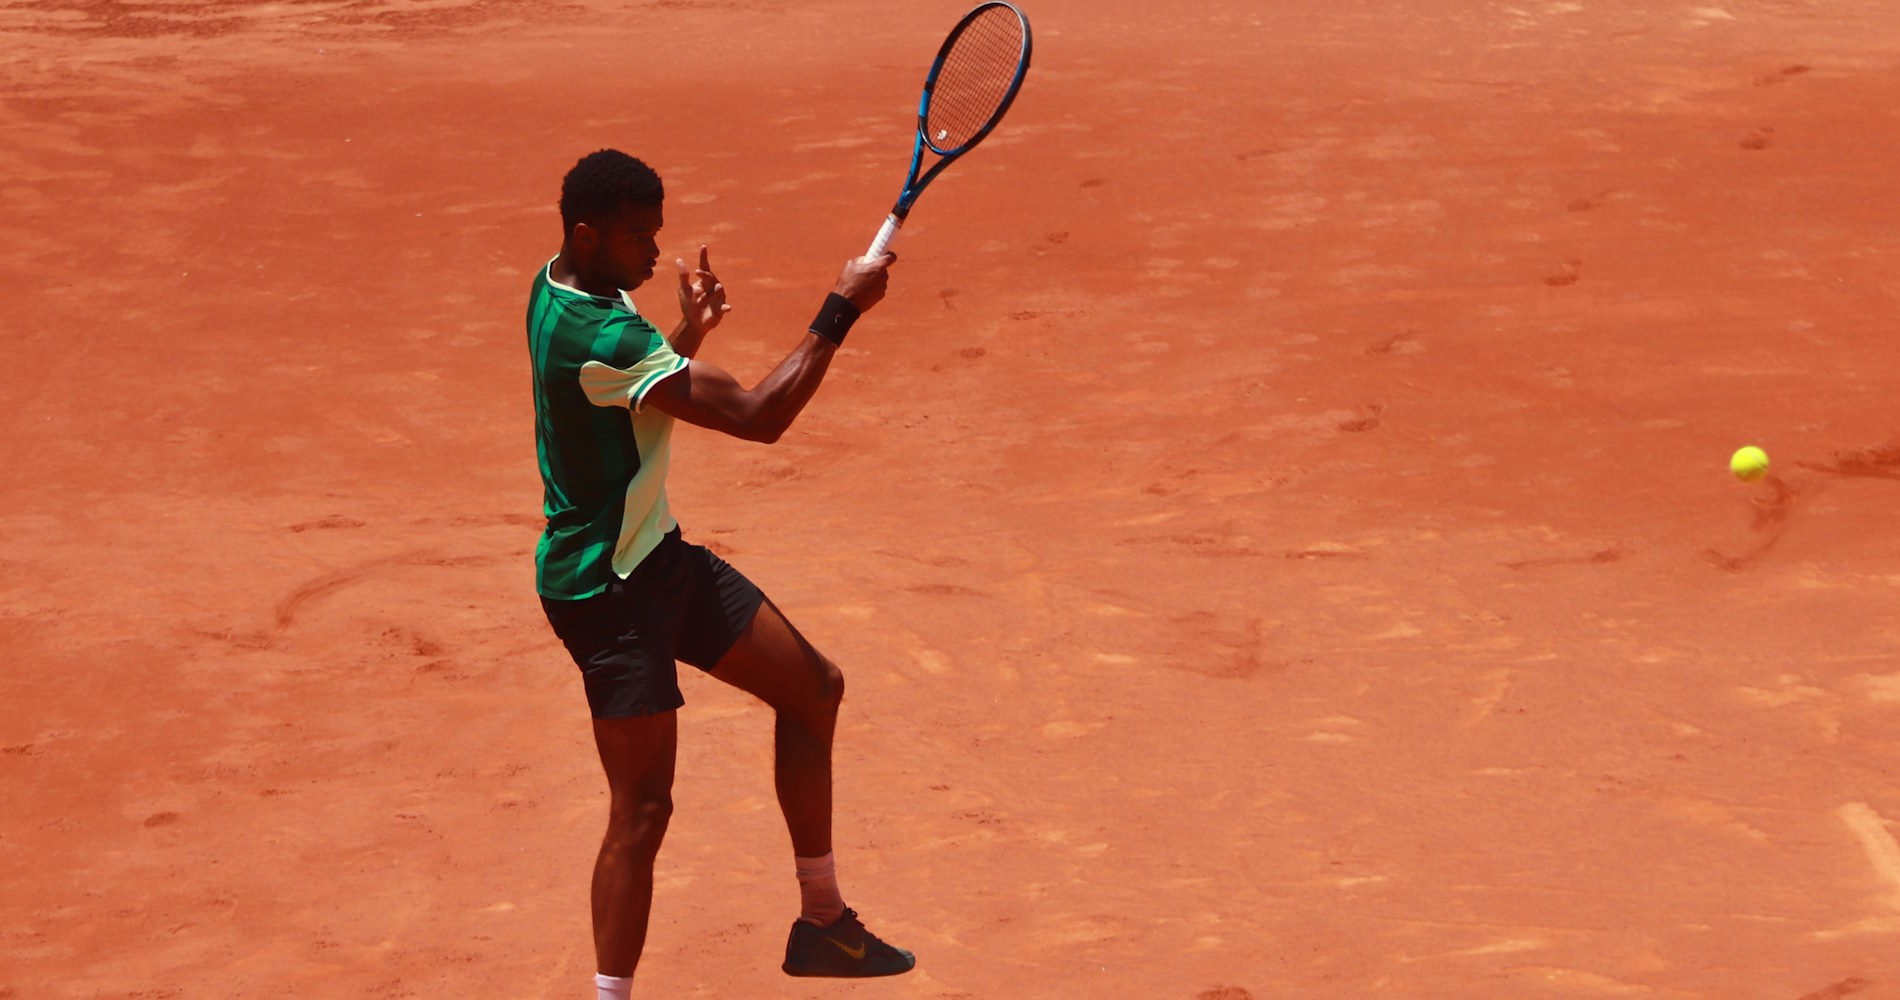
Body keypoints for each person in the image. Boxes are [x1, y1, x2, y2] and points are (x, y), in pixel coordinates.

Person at [525, 149, 911, 999]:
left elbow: (627, 389)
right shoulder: (600, 331)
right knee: (643, 812)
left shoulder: (562, 284)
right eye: (635, 241)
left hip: (654, 556)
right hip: (605, 593)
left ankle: (822, 923)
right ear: (587, 234)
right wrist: (839, 309)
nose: (653, 257)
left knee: (813, 688)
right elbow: (759, 417)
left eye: (654, 236)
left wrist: (688, 337)